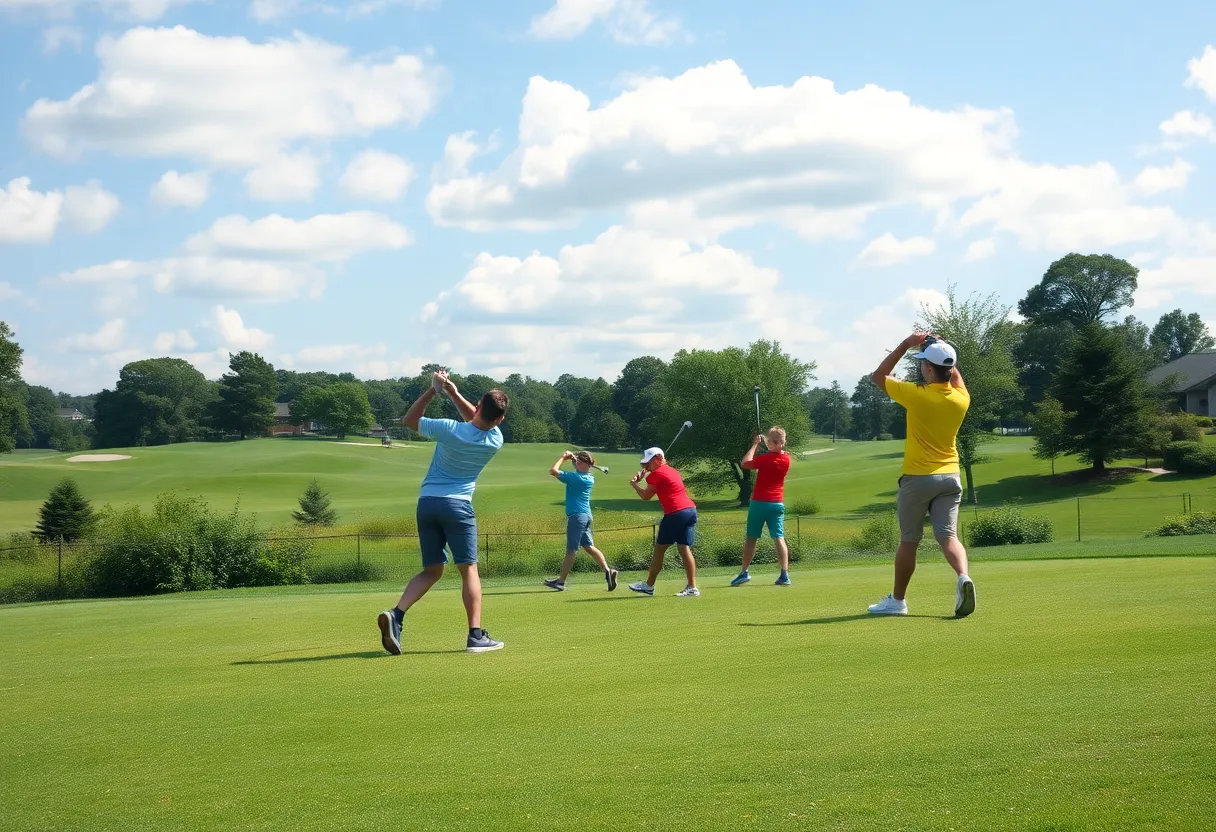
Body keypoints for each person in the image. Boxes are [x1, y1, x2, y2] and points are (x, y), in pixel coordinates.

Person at [377, 371, 510, 654]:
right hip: (458, 506)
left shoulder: (449, 429)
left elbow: (410, 421)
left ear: (478, 405)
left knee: (432, 570)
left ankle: (396, 615)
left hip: (427, 503)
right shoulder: (496, 439)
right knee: (469, 569)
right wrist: (451, 392)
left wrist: (434, 391)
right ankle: (475, 635)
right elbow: (477, 418)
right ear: (499, 419)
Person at [866, 333, 976, 618]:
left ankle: (898, 601)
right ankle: (963, 576)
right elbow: (953, 376)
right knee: (948, 536)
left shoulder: (916, 395)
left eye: (923, 364)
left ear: (928, 368)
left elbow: (878, 376)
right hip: (951, 477)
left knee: (909, 540)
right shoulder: (962, 398)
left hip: (918, 478)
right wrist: (941, 349)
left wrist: (906, 345)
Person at [543, 450, 618, 592]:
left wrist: (563, 457)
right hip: (586, 516)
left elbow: (553, 471)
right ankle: (608, 571)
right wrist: (573, 459)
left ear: (586, 464)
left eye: (579, 461)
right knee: (589, 547)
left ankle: (561, 582)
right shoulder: (588, 478)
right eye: (576, 461)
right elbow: (576, 470)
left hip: (577, 517)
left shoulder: (576, 478)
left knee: (571, 550)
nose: (576, 463)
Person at [628, 448, 699, 597]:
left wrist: (635, 484)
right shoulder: (672, 471)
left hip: (676, 512)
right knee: (684, 549)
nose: (646, 466)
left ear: (657, 459)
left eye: (648, 463)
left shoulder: (656, 474)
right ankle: (692, 587)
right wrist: (647, 473)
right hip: (690, 510)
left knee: (660, 549)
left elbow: (646, 496)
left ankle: (648, 586)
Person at [730, 426, 793, 587]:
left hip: (760, 502)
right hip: (777, 503)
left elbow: (745, 463)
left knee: (751, 538)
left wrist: (755, 444)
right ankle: (784, 574)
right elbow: (774, 451)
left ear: (772, 442)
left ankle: (744, 572)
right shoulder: (786, 459)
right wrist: (766, 442)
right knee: (779, 538)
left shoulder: (766, 459)